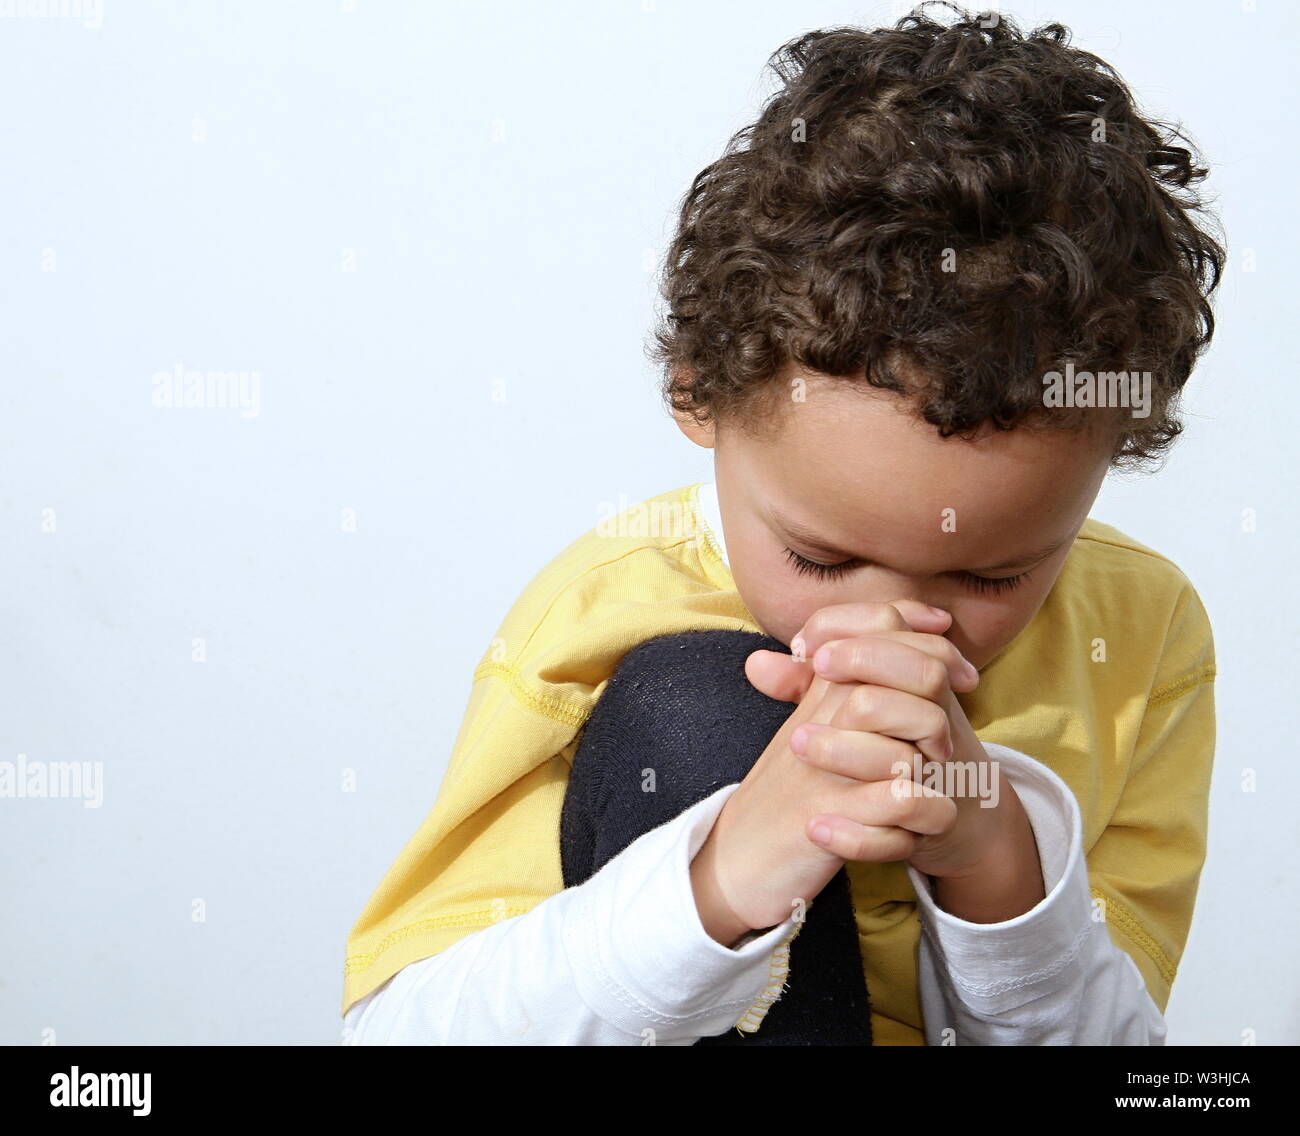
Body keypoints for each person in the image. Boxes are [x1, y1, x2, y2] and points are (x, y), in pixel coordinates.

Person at [340, 3, 1222, 1045]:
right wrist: (719, 879)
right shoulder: (598, 607)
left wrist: (1001, 867)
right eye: (820, 556)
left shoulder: (1143, 633)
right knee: (699, 703)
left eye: (990, 577)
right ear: (698, 396)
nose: (889, 628)